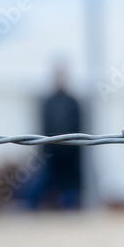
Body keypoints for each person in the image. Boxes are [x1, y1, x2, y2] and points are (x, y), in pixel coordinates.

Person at [39, 62, 84, 210]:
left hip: (71, 154)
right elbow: (43, 127)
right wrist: (44, 150)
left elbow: (80, 127)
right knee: (51, 186)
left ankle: (71, 209)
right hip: (52, 154)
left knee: (71, 187)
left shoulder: (73, 101)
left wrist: (77, 148)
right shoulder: (47, 102)